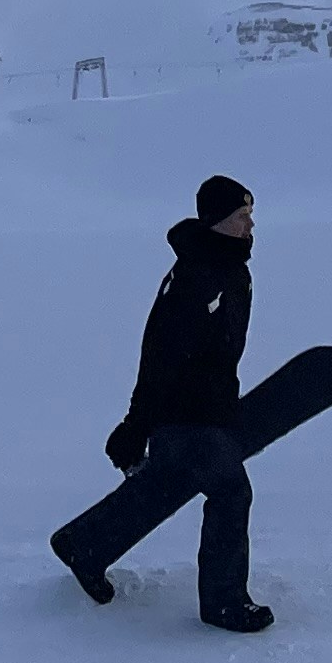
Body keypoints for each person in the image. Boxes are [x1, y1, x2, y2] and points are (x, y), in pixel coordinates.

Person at [49, 175, 275, 631]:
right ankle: (224, 602)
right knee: (231, 492)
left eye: (251, 214)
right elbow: (159, 355)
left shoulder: (230, 270)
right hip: (184, 414)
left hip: (205, 409)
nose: (252, 224)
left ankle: (85, 544)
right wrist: (137, 424)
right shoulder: (196, 277)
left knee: (163, 485)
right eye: (242, 216)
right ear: (216, 222)